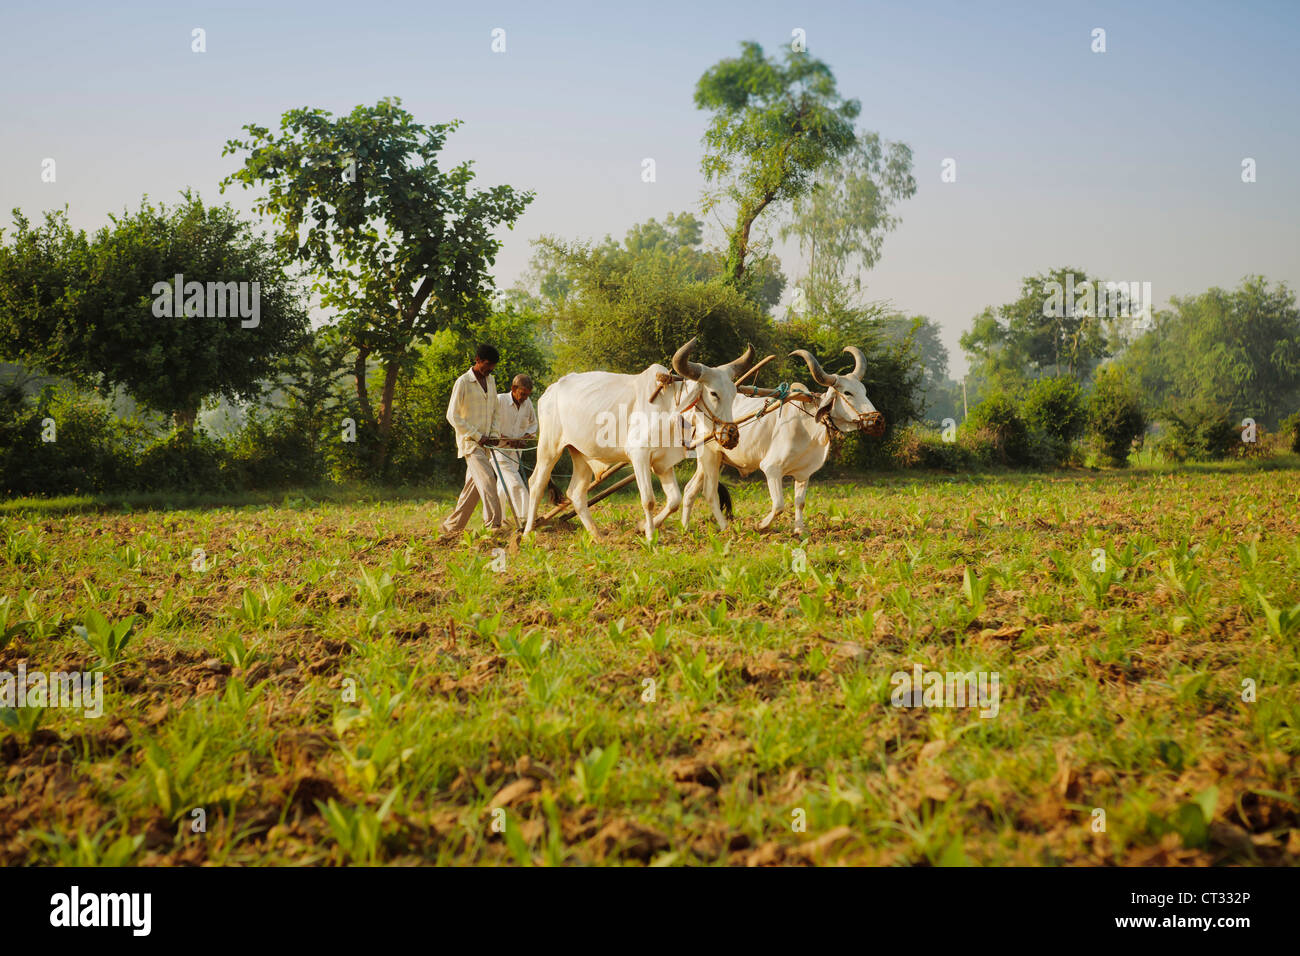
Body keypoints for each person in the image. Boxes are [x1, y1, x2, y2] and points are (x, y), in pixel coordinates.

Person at [440, 344, 503, 534]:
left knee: (472, 490)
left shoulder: (491, 381)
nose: (490, 369)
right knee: (488, 480)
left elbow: (496, 411)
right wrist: (477, 435)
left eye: (492, 366)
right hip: (470, 443)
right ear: (477, 360)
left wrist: (493, 435)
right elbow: (452, 415)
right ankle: (494, 527)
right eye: (487, 364)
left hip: (486, 443)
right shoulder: (463, 382)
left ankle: (451, 528)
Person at [493, 374, 537, 523]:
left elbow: (533, 424)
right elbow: (489, 424)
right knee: (515, 482)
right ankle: (526, 518)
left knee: (502, 486)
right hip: (498, 450)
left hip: (516, 452)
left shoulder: (527, 403)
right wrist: (505, 438)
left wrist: (524, 438)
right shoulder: (500, 400)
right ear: (513, 388)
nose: (525, 397)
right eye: (522, 394)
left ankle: (500, 520)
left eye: (527, 395)